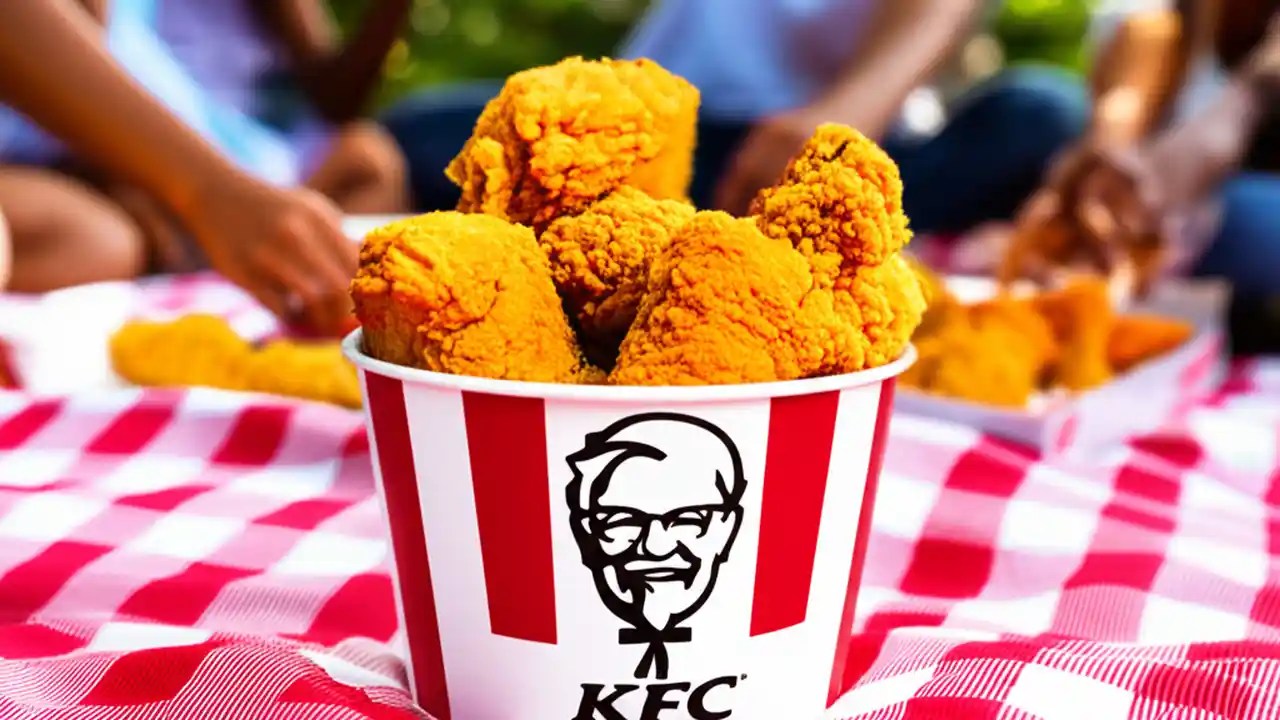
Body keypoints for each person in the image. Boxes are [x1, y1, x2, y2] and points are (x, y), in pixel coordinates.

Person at [383, 0, 1090, 236]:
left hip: (847, 157)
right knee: (413, 132)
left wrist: (836, 126)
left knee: (1044, 112)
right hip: (663, 133)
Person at [0, 0, 411, 334]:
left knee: (369, 159)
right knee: (95, 242)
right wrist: (205, 192)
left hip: (229, 150)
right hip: (145, 166)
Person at [1005, 0, 1280, 297]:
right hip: (1150, 225)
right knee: (1035, 104)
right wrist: (1107, 161)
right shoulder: (1152, 23)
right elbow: (1122, 109)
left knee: (1261, 222)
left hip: (1219, 214)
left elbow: (1213, 144)